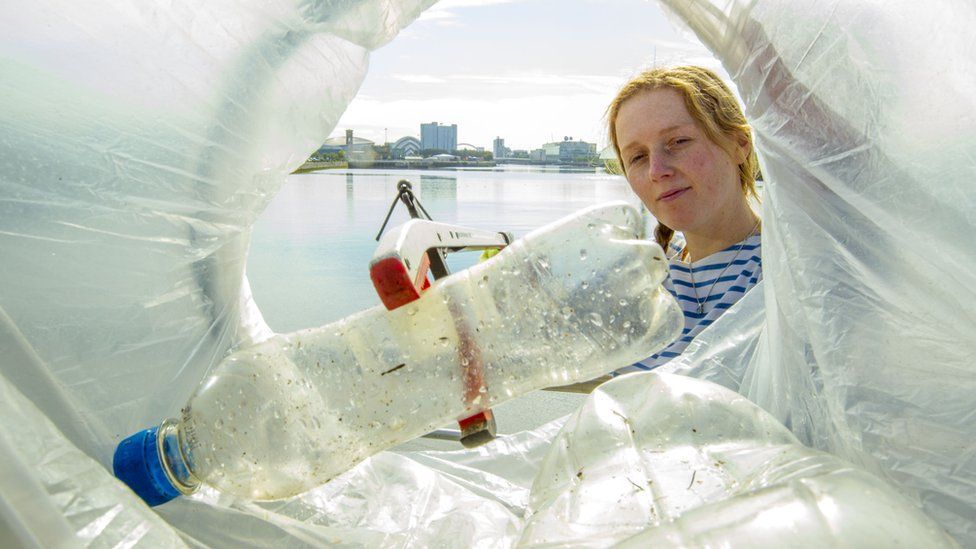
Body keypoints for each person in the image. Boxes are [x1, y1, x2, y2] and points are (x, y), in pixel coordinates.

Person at [607, 66, 762, 372]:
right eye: (638, 157)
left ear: (740, 144)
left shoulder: (787, 271)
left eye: (678, 142)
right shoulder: (643, 276)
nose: (657, 171)